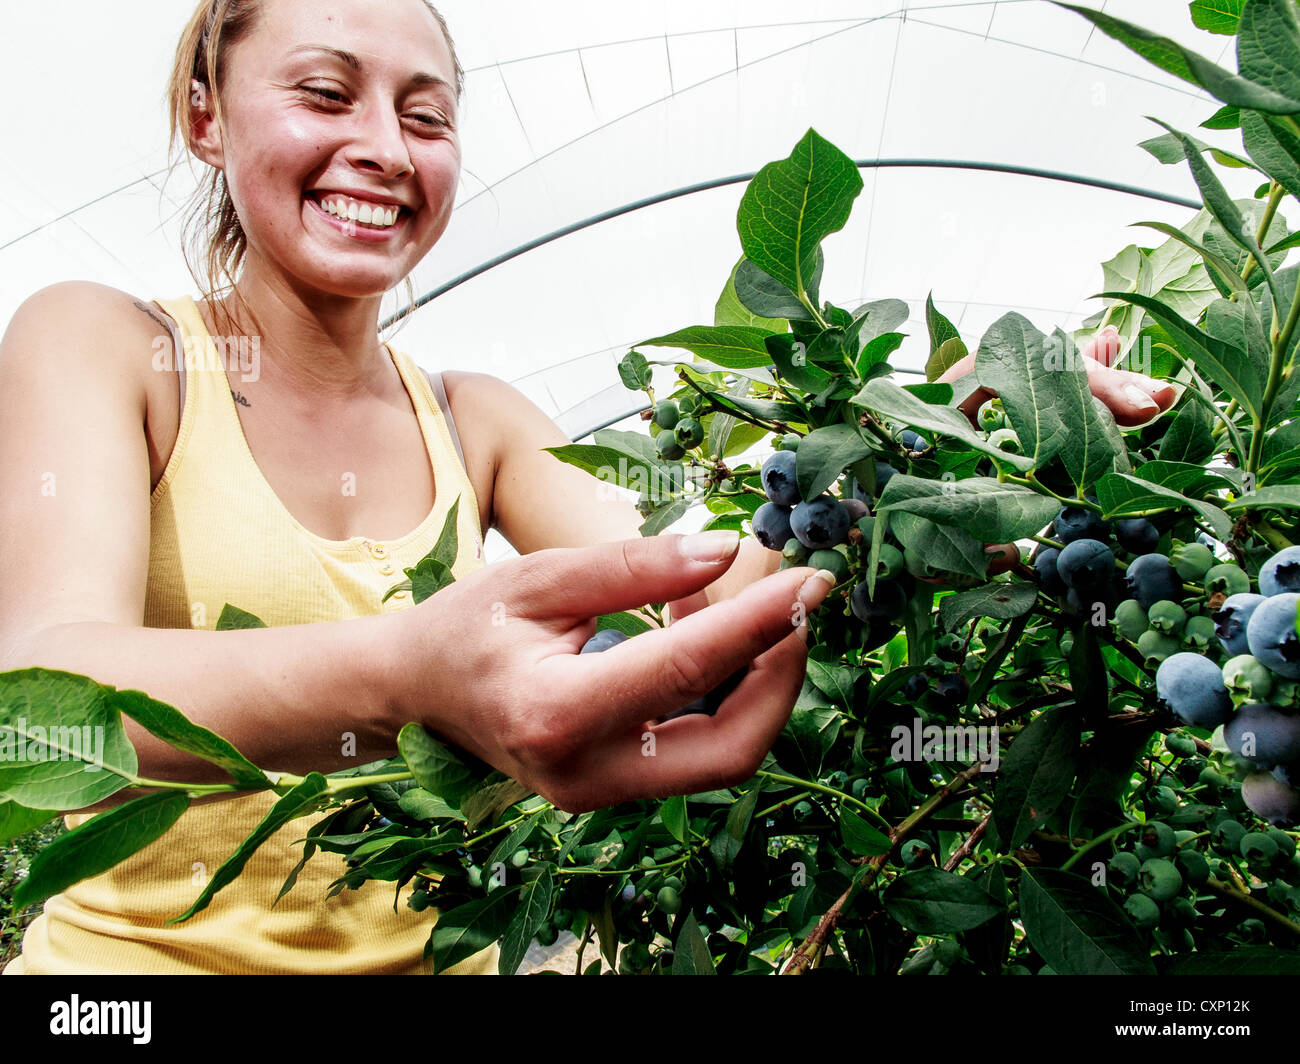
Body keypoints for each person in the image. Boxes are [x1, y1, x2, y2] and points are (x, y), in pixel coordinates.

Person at [0, 0, 1175, 975]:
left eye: (426, 116)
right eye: (323, 94)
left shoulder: (477, 418)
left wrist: (921, 424)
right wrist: (416, 676)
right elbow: (41, 691)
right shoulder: (106, 345)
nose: (385, 148)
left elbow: (712, 587)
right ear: (204, 117)